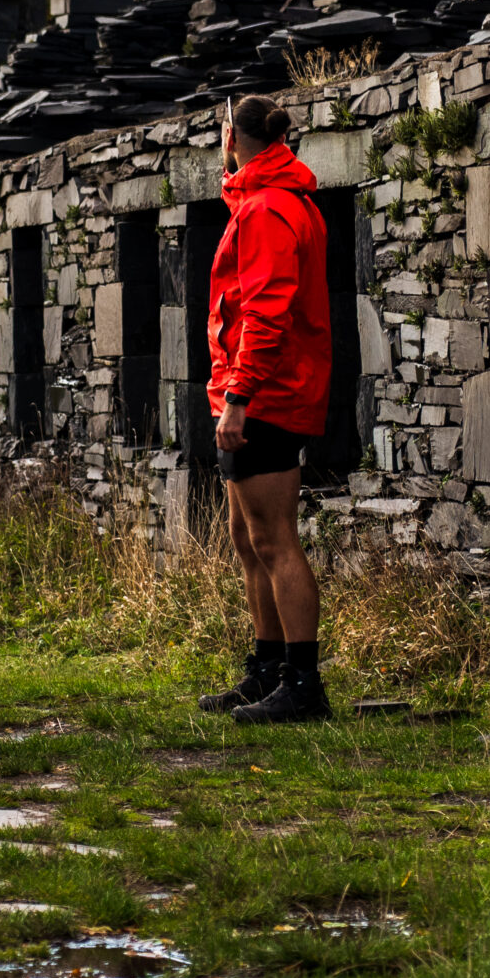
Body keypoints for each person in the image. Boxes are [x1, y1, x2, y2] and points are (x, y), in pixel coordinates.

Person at [199, 93, 332, 723]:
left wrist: (239, 399)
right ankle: (266, 669)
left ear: (232, 136)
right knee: (246, 537)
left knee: (275, 539)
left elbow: (266, 314)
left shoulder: (269, 209)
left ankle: (303, 685)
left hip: (269, 396)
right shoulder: (264, 200)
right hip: (254, 392)